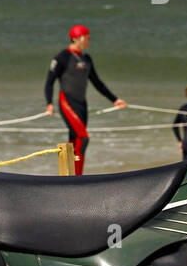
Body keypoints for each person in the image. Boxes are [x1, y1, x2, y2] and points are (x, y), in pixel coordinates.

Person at [44, 25, 126, 175]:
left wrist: (115, 100)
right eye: (86, 37)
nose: (88, 40)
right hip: (67, 102)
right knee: (83, 138)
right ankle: (77, 177)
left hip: (82, 104)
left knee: (75, 140)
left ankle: (67, 174)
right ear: (76, 38)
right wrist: (49, 103)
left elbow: (97, 82)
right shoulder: (62, 57)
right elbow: (50, 81)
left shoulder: (86, 59)